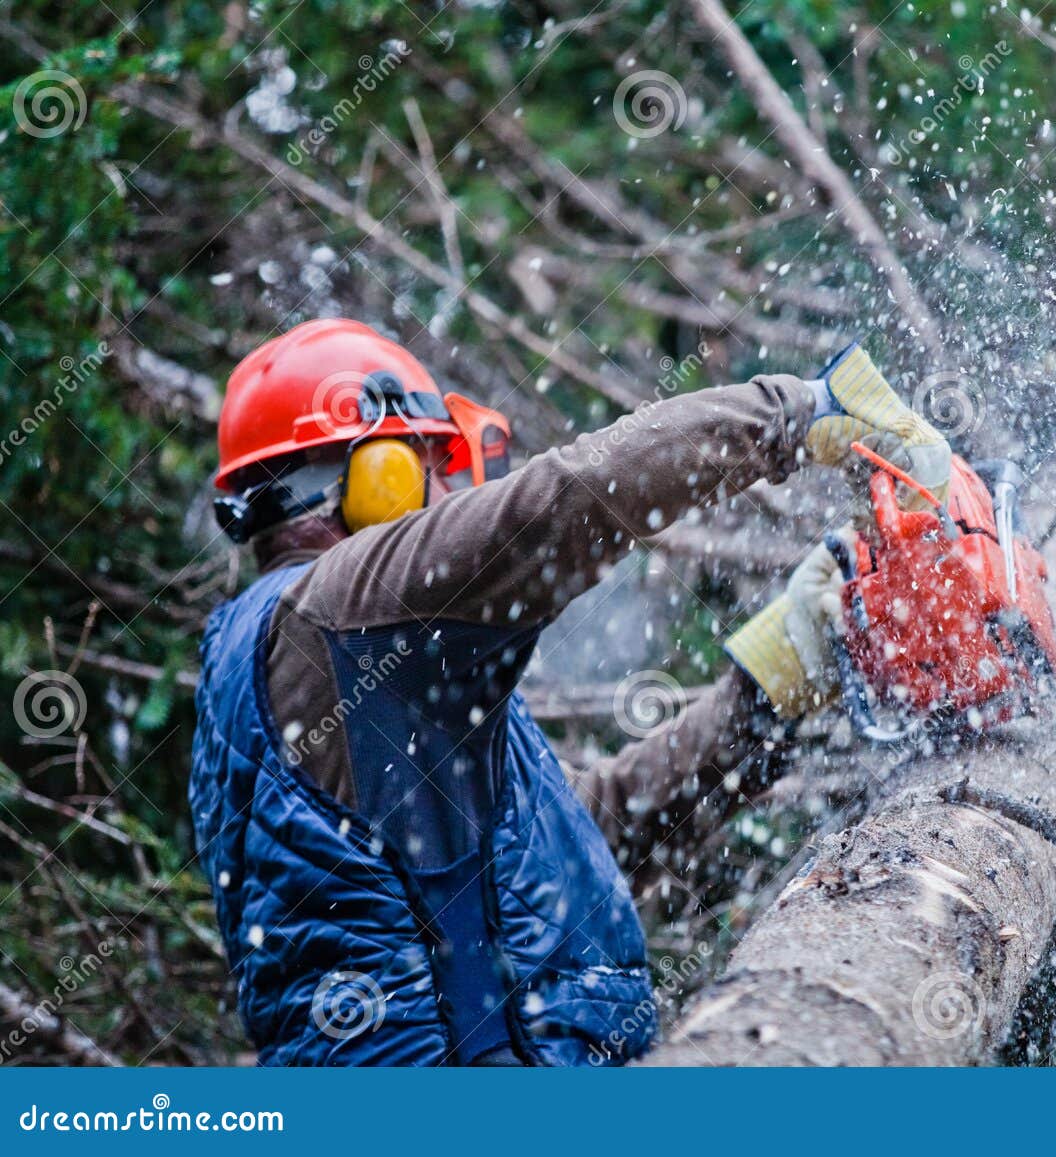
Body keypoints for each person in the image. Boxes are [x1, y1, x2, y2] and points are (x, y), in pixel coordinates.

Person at [189, 318, 948, 1065]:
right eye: (424, 461)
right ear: (372, 476)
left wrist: (770, 686)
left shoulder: (328, 660)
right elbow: (563, 504)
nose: (444, 489)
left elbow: (576, 843)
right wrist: (800, 412)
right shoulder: (343, 612)